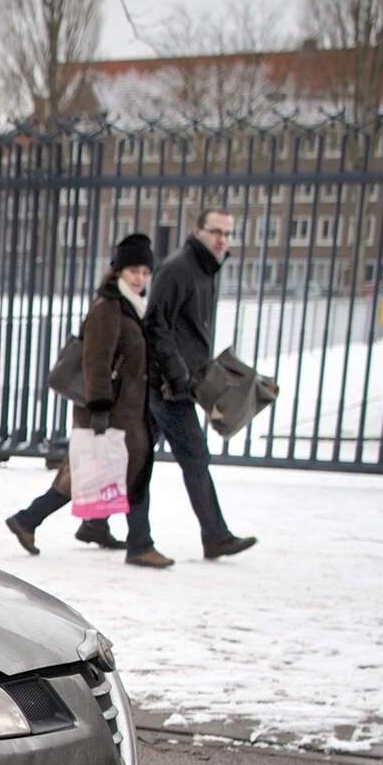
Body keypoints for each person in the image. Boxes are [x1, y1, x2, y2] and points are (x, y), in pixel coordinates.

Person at [6, 232, 158, 563]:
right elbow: (96, 361)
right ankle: (141, 545)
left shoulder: (134, 307)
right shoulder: (109, 308)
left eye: (145, 272)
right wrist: (100, 407)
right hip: (109, 409)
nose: (140, 278)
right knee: (129, 472)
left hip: (125, 409)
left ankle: (44, 521)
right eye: (133, 271)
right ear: (118, 271)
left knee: (91, 474)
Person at [138, 208, 257, 564]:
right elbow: (156, 324)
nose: (222, 239)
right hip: (169, 386)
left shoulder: (205, 269)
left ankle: (55, 518)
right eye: (215, 231)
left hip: (179, 381)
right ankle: (215, 536)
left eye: (227, 233)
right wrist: (177, 375)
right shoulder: (179, 269)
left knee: (137, 460)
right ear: (197, 231)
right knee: (195, 458)